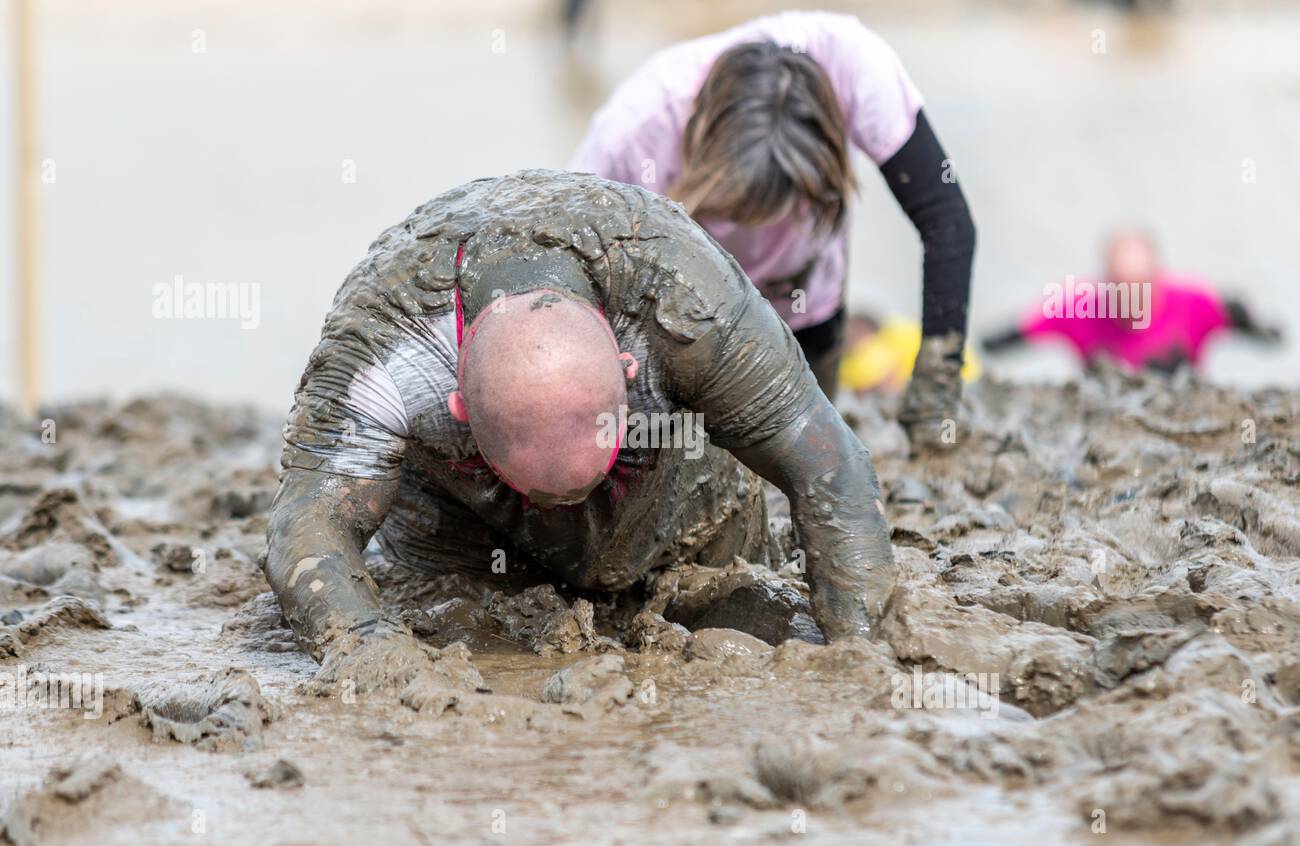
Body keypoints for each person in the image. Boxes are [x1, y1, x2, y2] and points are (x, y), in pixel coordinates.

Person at [265, 170, 897, 692]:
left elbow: (829, 465)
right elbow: (307, 527)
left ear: (628, 369)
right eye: (544, 489)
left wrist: (858, 652)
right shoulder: (387, 349)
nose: (564, 502)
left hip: (683, 508)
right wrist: (373, 653)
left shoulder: (686, 300)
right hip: (466, 541)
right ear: (458, 406)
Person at [570, 10, 976, 451]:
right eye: (749, 209)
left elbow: (946, 220)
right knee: (681, 457)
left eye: (787, 205)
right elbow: (570, 268)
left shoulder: (855, 65)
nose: (766, 228)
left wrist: (935, 396)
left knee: (812, 455)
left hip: (807, 303)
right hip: (688, 320)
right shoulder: (635, 127)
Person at [982, 229, 1280, 372]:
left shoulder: (1195, 302)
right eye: (1122, 288)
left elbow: (1273, 338)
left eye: (1141, 287)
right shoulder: (1078, 308)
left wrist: (1248, 320)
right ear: (1106, 282)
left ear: (1159, 277)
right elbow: (1003, 339)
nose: (1133, 299)